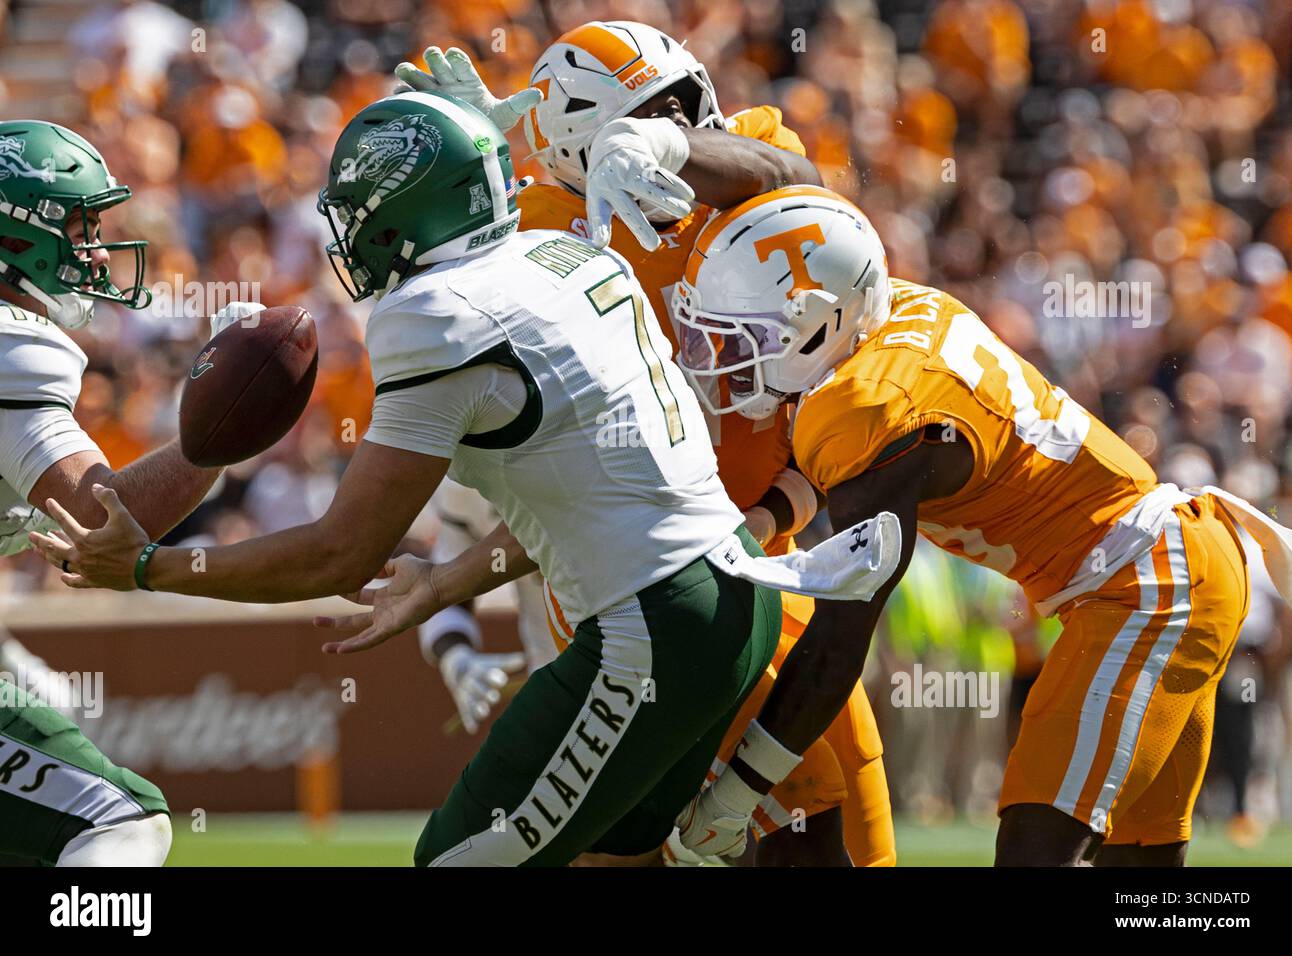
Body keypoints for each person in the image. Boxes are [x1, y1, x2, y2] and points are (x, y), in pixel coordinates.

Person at [30, 94, 897, 866]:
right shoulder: (571, 259)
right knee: (618, 855)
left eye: (361, 211)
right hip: (734, 594)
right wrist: (445, 580)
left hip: (653, 629)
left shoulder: (432, 315)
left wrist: (151, 568)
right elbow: (595, 486)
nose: (350, 234)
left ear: (408, 211)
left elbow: (340, 554)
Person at [669, 185, 1292, 866]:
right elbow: (844, 478)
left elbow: (839, 638)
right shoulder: (893, 313)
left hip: (1145, 587)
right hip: (1176, 564)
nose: (720, 358)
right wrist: (758, 522)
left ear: (819, 321)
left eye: (747, 336)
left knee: (1035, 848)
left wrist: (738, 794)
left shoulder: (866, 410)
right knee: (1139, 869)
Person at [396, 21, 896, 866]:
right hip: (631, 577)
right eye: (649, 112)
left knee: (838, 822)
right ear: (570, 151)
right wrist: (461, 165)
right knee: (646, 843)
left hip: (757, 553)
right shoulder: (529, 233)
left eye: (680, 106)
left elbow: (800, 183)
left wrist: (656, 142)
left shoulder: (740, 165)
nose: (681, 124)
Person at [0, 119, 231, 865]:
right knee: (121, 823)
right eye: (78, 225)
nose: (96, 250)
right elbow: (105, 529)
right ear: (12, 238)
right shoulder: (14, 344)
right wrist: (220, 432)